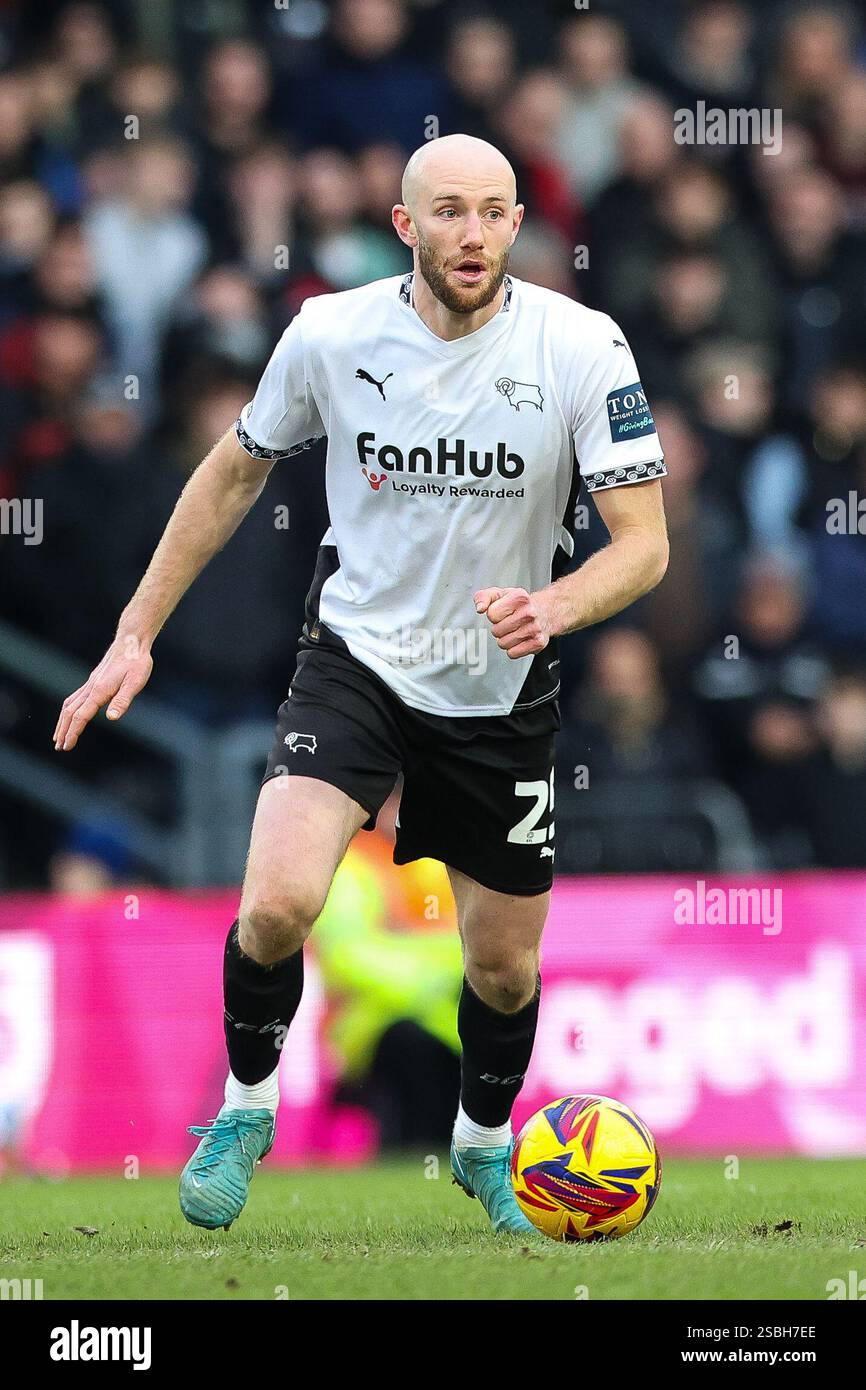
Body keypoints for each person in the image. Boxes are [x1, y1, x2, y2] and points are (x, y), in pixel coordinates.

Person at [53, 133, 668, 1235]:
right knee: (277, 903)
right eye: (447, 213)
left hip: (501, 684)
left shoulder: (584, 346)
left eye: (491, 212)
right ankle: (244, 1113)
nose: (471, 234)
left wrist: (557, 605)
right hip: (357, 661)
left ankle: (482, 1146)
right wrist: (135, 630)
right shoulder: (330, 333)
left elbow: (643, 543)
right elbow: (234, 470)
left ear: (517, 223)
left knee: (503, 972)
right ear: (404, 226)